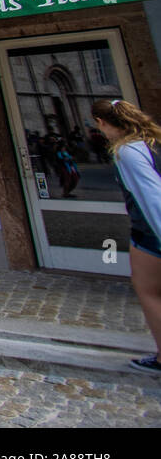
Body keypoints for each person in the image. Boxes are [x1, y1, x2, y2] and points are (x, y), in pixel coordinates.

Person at [90, 98, 161, 373]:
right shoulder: (153, 142)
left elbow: (152, 198)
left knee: (150, 292)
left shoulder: (127, 151)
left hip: (150, 234)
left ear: (102, 122)